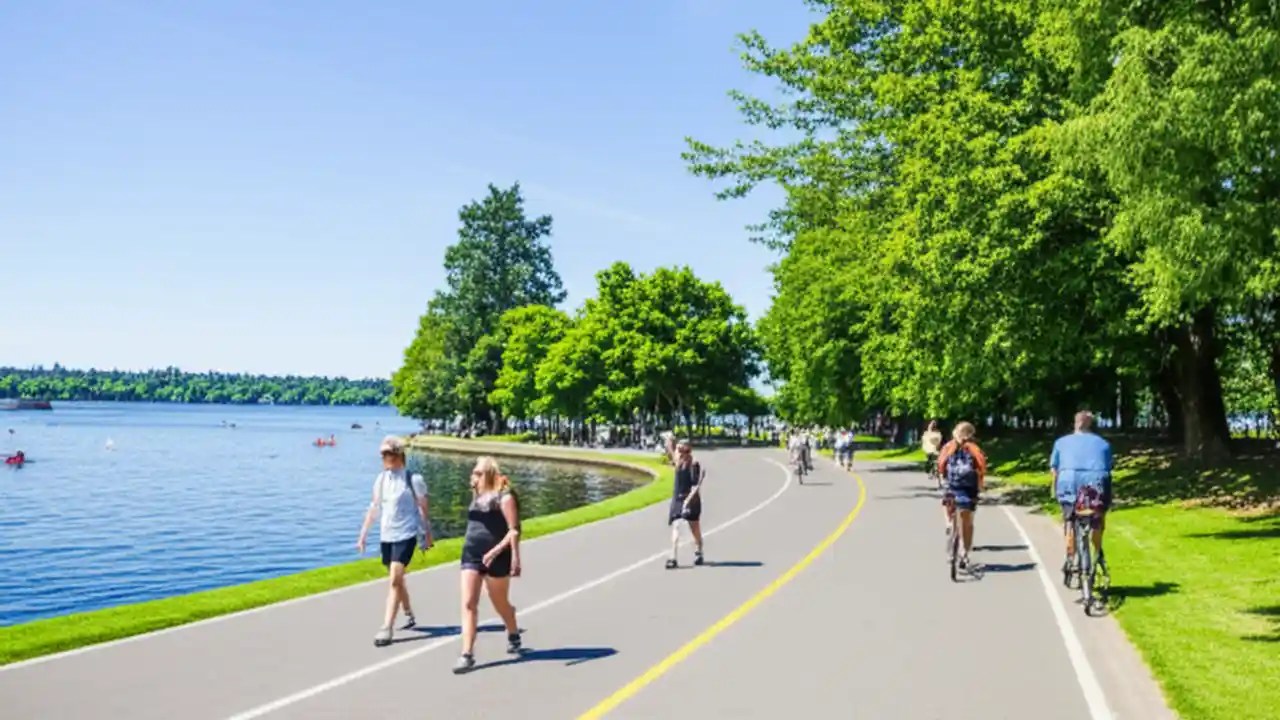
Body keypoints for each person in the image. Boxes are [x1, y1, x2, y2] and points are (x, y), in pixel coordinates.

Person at [356, 435, 432, 647]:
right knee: (396, 579)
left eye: (387, 454)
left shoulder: (413, 479)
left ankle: (386, 627)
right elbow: (374, 508)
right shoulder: (381, 480)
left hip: (406, 534)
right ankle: (408, 612)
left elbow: (423, 508)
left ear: (398, 454)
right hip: (387, 535)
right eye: (382, 455)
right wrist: (363, 535)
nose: (384, 458)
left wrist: (427, 533)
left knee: (395, 580)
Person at [454, 456, 523, 674]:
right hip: (472, 554)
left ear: (490, 474)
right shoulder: (477, 495)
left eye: (478, 473)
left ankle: (512, 629)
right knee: (468, 603)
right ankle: (467, 654)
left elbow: (514, 531)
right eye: (473, 472)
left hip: (497, 557)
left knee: (499, 602)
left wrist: (500, 553)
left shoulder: (505, 497)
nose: (473, 477)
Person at [1051, 410, 1114, 574]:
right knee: (1098, 516)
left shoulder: (1061, 443)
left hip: (1069, 483)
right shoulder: (1103, 444)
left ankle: (1070, 556)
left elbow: (1055, 470)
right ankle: (1098, 551)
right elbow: (1108, 468)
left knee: (1069, 519)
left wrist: (1055, 490)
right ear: (1090, 424)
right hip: (1096, 483)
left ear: (1075, 423)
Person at [936, 422, 987, 570]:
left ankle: (949, 524)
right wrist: (980, 487)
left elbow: (941, 466)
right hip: (968, 490)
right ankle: (965, 552)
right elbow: (981, 469)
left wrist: (942, 481)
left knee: (948, 505)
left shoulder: (948, 447)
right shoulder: (974, 449)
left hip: (951, 486)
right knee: (968, 521)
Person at [665, 437, 705, 569]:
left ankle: (699, 551)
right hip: (678, 499)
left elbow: (695, 486)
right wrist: (669, 441)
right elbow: (670, 451)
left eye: (683, 450)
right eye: (679, 449)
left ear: (689, 451)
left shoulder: (694, 465)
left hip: (692, 500)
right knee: (676, 526)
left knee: (694, 528)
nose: (680, 452)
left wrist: (688, 501)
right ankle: (673, 557)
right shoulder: (677, 461)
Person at [921, 421, 944, 486]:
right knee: (931, 461)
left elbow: (938, 442)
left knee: (935, 462)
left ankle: (934, 473)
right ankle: (932, 471)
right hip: (932, 450)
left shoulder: (934, 433)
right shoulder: (929, 434)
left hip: (933, 450)